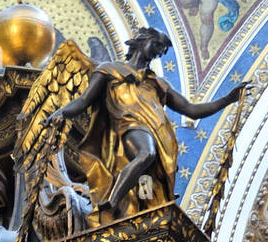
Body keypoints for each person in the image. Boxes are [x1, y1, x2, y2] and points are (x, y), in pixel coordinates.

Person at [46, 27, 246, 218]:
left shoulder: (158, 83)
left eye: (162, 49)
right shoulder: (109, 70)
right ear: (141, 41)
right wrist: (60, 113)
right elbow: (83, 101)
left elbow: (191, 110)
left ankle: (141, 215)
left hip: (161, 135)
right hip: (129, 126)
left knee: (148, 190)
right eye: (156, 44)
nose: (159, 51)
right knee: (146, 154)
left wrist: (228, 99)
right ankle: (111, 201)